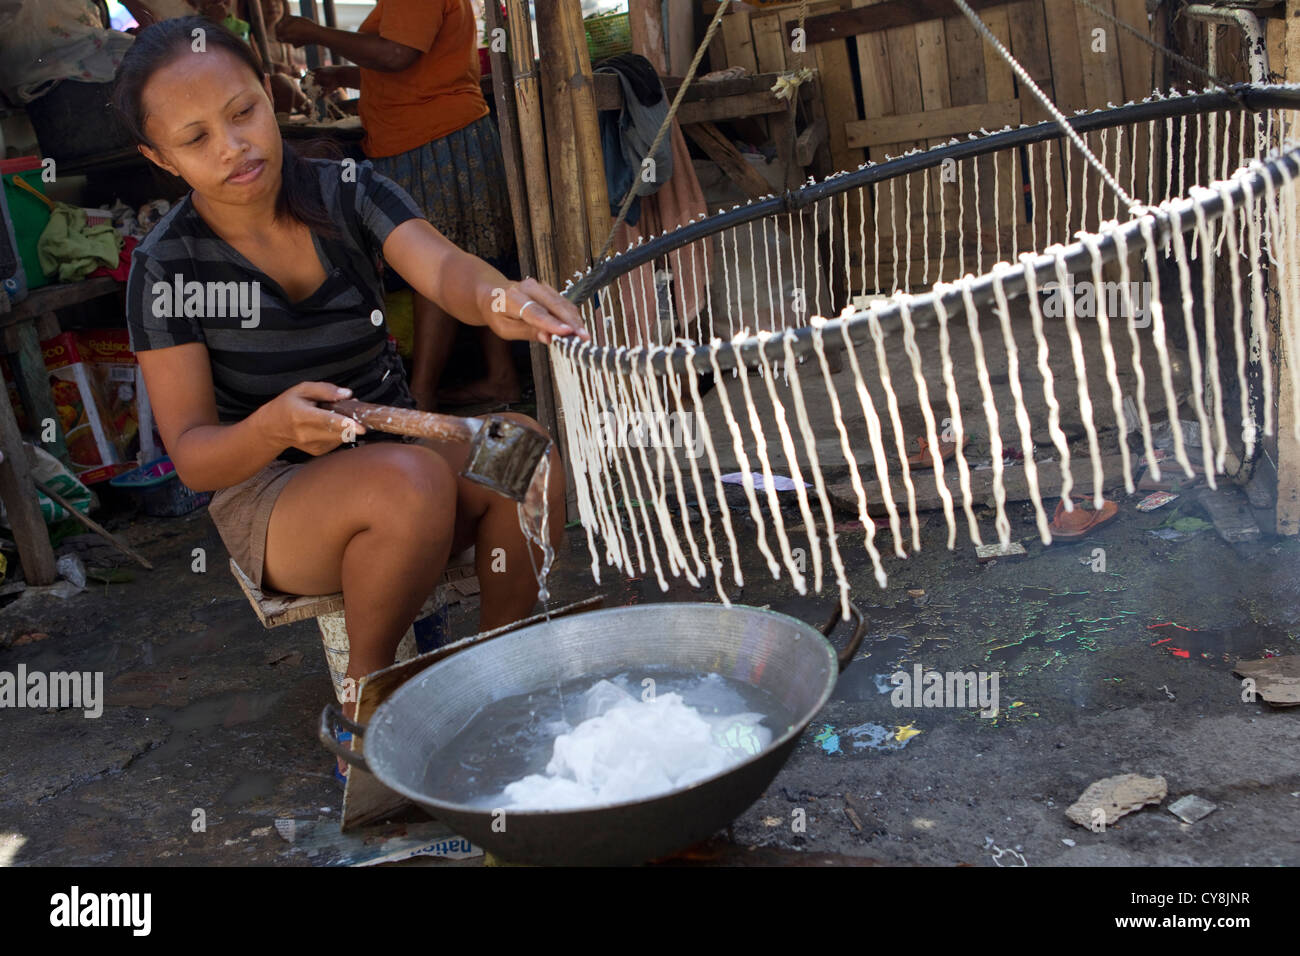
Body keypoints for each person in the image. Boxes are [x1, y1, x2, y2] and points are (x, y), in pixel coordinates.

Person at [111, 17, 586, 773]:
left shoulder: (347, 190)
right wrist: (271, 429)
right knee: (411, 479)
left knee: (524, 453)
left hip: (392, 442)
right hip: (269, 490)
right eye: (196, 138)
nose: (233, 146)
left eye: (243, 113)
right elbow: (197, 458)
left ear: (270, 97)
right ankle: (369, 716)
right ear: (159, 158)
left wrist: (504, 302)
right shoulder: (166, 269)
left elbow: (445, 271)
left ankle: (503, 677)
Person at [276, 0, 522, 410]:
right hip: (432, 135)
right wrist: (346, 74)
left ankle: (419, 396)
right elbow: (414, 69)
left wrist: (314, 33)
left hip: (433, 139)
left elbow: (396, 55)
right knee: (472, 257)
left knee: (430, 266)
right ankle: (501, 379)